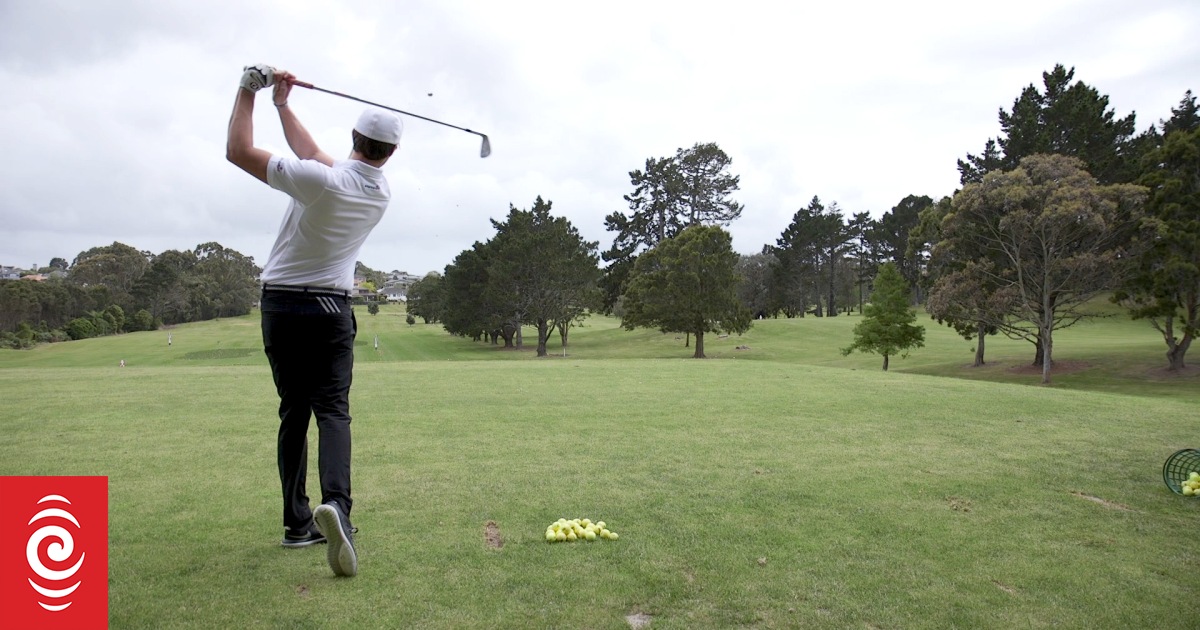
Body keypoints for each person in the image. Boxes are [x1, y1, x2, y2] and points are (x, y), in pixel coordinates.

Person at [226, 64, 402, 578]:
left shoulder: (319, 182)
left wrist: (247, 90)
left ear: (354, 138)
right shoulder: (376, 192)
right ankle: (339, 511)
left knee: (293, 411)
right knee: (333, 410)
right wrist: (283, 104)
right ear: (389, 152)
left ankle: (296, 524)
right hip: (331, 309)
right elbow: (313, 155)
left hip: (281, 306)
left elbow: (239, 151)